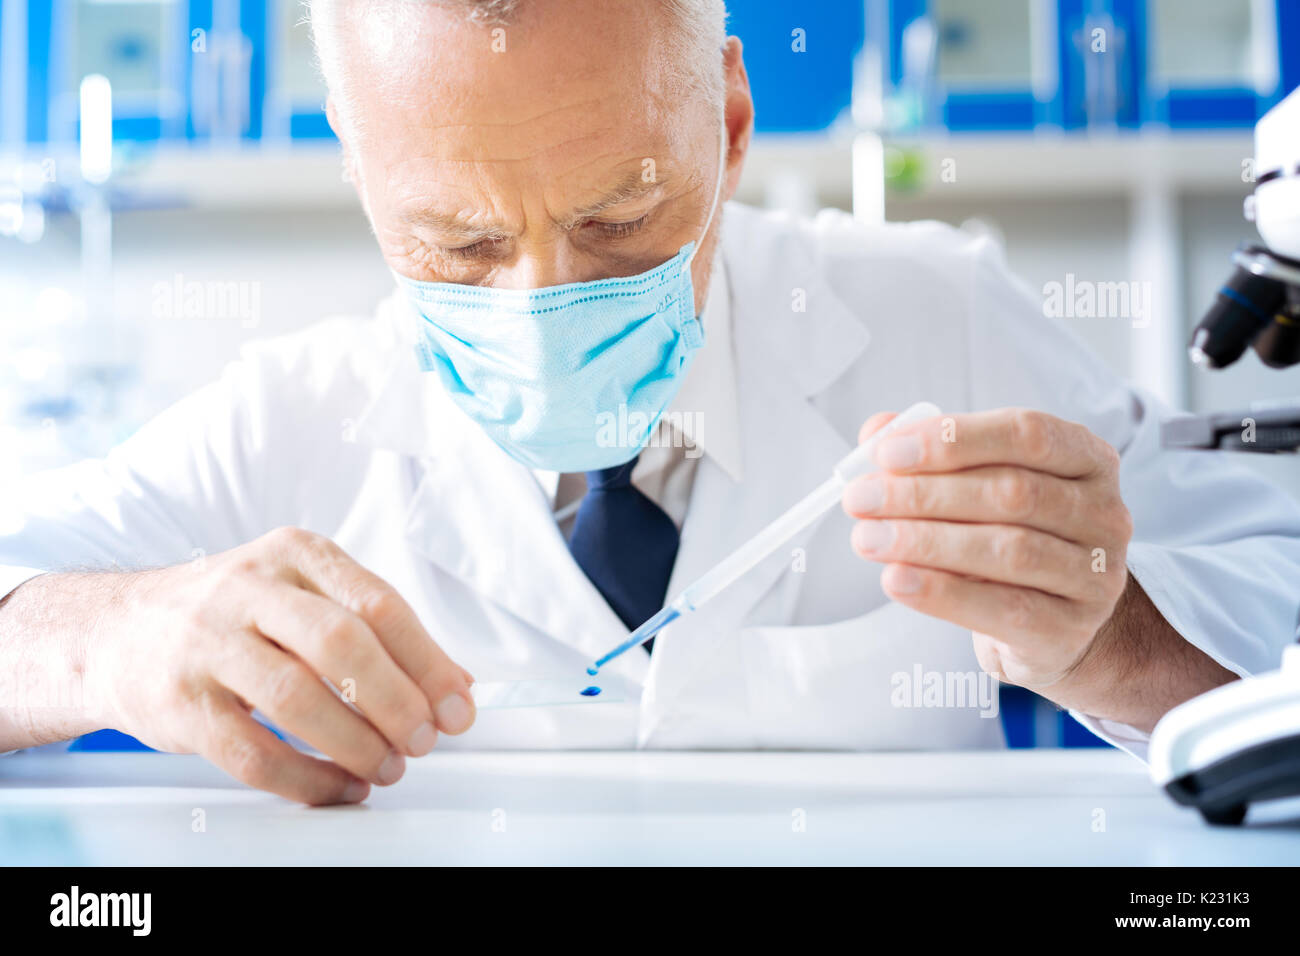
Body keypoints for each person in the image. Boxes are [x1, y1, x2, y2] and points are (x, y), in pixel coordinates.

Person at [2, 0, 1297, 805]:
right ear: (361, 168)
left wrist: (1113, 635)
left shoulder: (936, 316)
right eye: (455, 243)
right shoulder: (285, 421)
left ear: (730, 123)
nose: (542, 297)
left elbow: (1272, 585)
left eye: (621, 220)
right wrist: (103, 635)